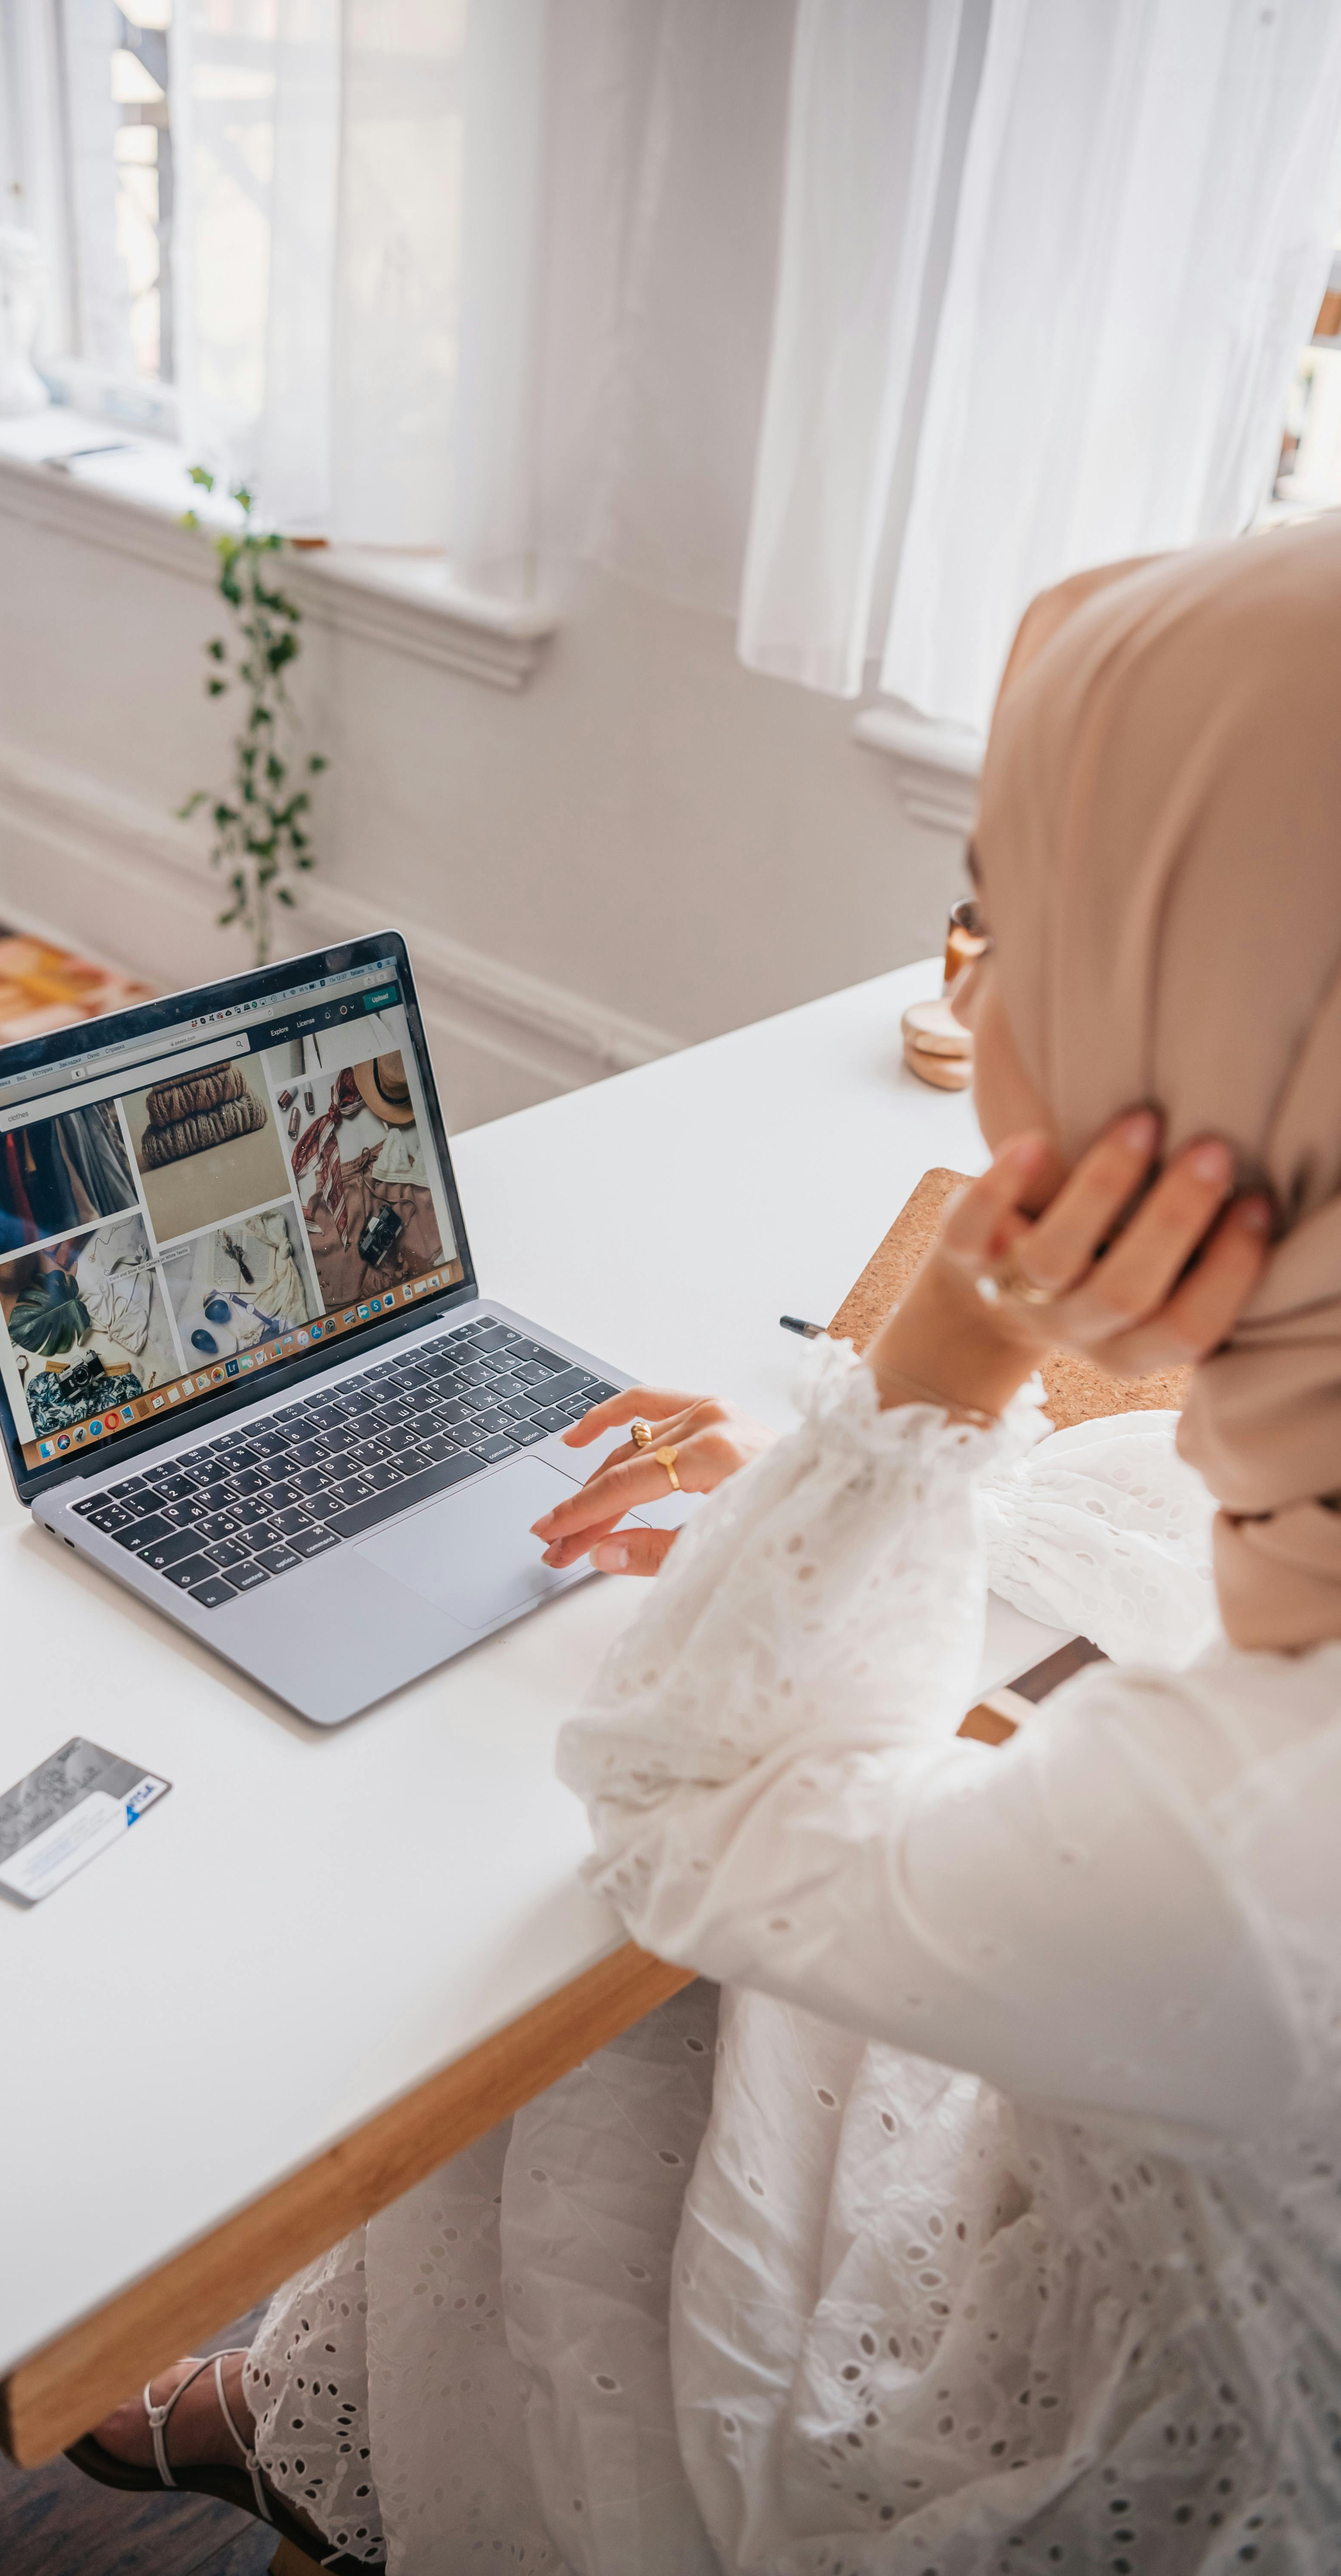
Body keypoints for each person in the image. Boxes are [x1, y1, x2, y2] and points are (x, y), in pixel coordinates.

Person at [70, 520, 1341, 2570]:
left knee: (588, 1984)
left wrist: (951, 1343)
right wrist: (860, 1460)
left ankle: (330, 2435)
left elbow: (685, 1815)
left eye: (1002, 933)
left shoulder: (1257, 1855)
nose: (969, 1003)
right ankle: (326, 2397)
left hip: (1008, 2461)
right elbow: (1170, 1543)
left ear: (1185, 1042)